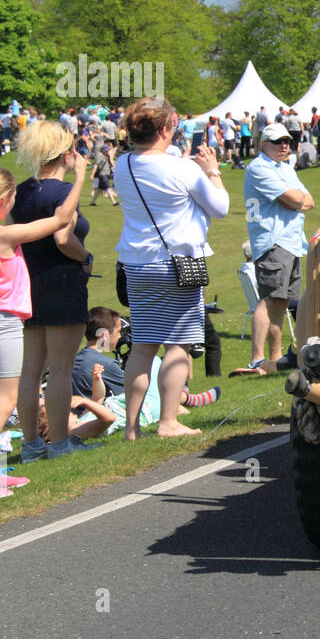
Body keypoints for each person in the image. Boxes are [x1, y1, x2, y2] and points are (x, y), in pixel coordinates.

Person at [0, 160, 85, 500]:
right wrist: (80, 177)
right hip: (3, 322)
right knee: (4, 403)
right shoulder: (2, 234)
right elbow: (61, 220)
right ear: (5, 199)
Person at [114, 97, 228, 438]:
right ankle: (168, 421)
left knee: (143, 346)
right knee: (178, 345)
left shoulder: (124, 165)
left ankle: (131, 428)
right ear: (165, 129)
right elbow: (220, 207)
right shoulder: (182, 168)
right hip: (177, 264)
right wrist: (213, 170)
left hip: (136, 264)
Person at [10, 121, 96, 463]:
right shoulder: (62, 193)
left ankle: (31, 443)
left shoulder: (22, 191)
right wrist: (86, 257)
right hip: (61, 281)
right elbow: (64, 238)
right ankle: (60, 442)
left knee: (31, 370)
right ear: (66, 153)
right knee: (60, 368)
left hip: (29, 284)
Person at [240, 122, 313, 375]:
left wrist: (294, 200)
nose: (284, 145)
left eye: (287, 141)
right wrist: (293, 200)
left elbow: (308, 201)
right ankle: (257, 359)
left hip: (291, 240)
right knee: (268, 300)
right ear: (263, 144)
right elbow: (296, 199)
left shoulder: (285, 168)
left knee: (281, 302)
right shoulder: (259, 168)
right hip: (272, 240)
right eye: (277, 141)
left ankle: (275, 358)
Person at [90, 139, 118, 205]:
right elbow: (96, 165)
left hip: (104, 175)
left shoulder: (106, 157)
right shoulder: (100, 157)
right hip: (102, 175)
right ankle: (114, 202)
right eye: (108, 150)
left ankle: (92, 202)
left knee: (98, 190)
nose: (109, 151)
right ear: (105, 151)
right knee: (108, 188)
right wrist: (92, 174)